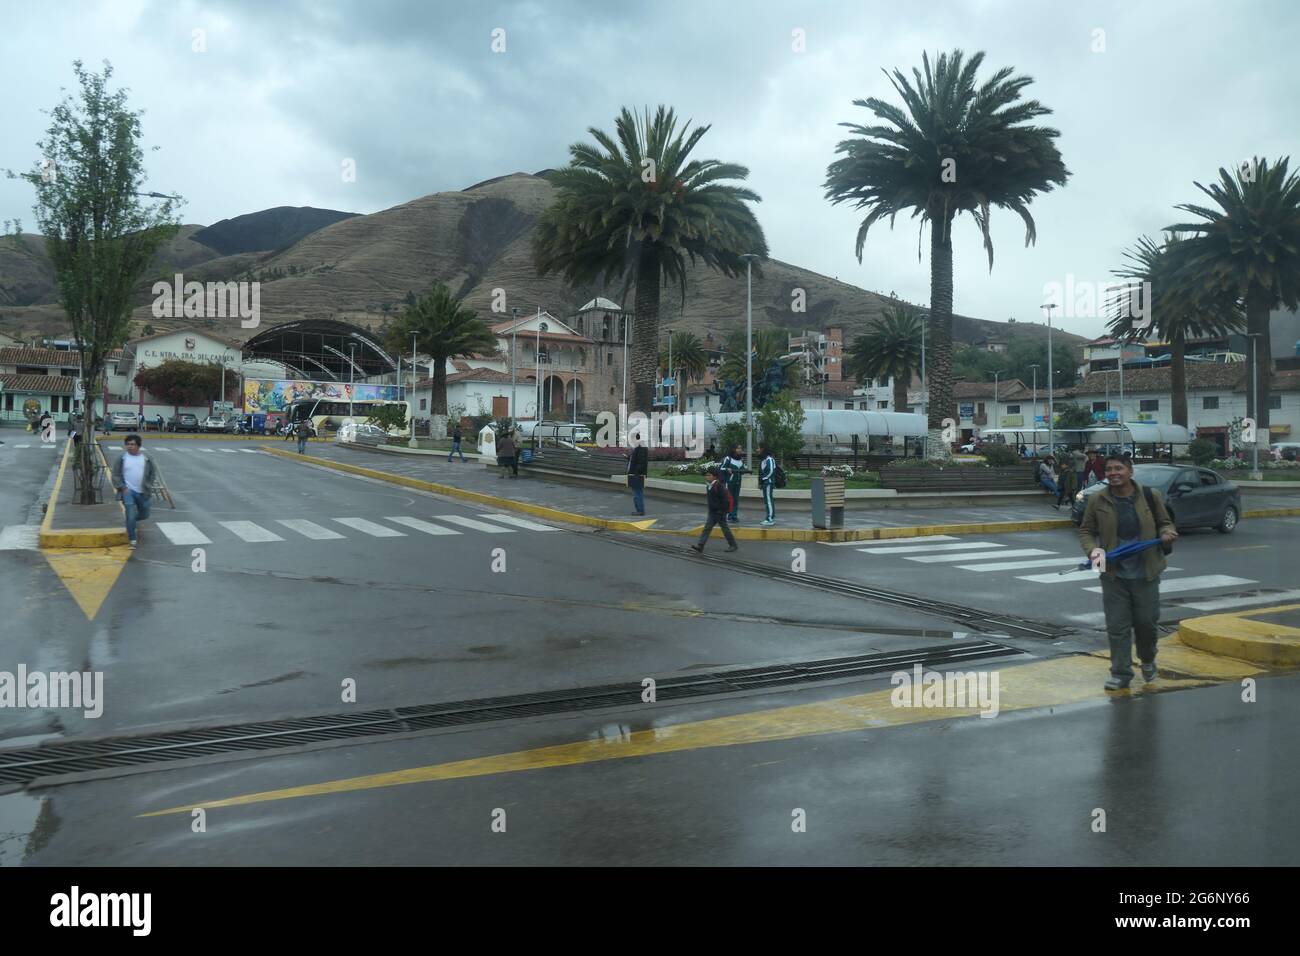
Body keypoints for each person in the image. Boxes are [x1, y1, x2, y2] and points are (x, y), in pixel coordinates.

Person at [1078, 454, 1178, 691]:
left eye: (1119, 468)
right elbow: (1086, 531)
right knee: (1117, 625)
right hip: (1113, 573)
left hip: (1146, 572)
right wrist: (1093, 552)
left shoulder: (1150, 496)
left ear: (1130, 471)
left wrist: (1166, 532)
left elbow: (1165, 522)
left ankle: (1148, 659)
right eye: (1109, 469)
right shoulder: (1097, 500)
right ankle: (1121, 672)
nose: (1113, 473)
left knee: (1146, 624)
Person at [110, 433, 157, 548]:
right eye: (128, 444)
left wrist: (149, 485)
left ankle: (130, 522)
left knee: (145, 514)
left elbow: (152, 473)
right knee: (130, 514)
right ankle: (132, 540)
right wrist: (122, 487)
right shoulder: (121, 458)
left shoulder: (147, 458)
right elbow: (115, 475)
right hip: (128, 492)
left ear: (138, 446)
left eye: (132, 444)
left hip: (143, 491)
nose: (130, 446)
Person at [690, 465, 738, 554]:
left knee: (725, 529)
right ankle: (700, 546)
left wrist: (722, 511)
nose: (707, 477)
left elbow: (725, 500)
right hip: (712, 512)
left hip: (720, 512)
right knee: (707, 528)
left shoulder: (719, 486)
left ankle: (733, 545)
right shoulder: (709, 485)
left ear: (715, 476)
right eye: (706, 475)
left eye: (709, 475)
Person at [720, 444, 747, 523]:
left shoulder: (741, 460)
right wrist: (727, 469)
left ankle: (734, 516)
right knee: (729, 499)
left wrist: (745, 470)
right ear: (733, 449)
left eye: (740, 448)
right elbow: (721, 468)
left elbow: (743, 469)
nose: (740, 450)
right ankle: (728, 515)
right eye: (738, 448)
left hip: (738, 482)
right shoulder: (728, 458)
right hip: (729, 482)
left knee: (735, 499)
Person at [627, 438, 648, 516]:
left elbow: (641, 462)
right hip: (636, 474)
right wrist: (628, 458)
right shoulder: (639, 447)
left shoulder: (641, 447)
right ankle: (639, 510)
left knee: (637, 493)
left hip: (638, 475)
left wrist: (636, 473)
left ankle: (640, 510)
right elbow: (636, 460)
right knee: (637, 493)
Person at [757, 443, 777, 526]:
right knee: (767, 500)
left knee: (768, 500)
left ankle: (770, 518)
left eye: (758, 448)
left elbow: (771, 471)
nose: (757, 450)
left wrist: (763, 479)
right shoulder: (763, 460)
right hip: (766, 483)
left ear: (762, 449)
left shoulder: (769, 459)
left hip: (768, 483)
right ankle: (770, 517)